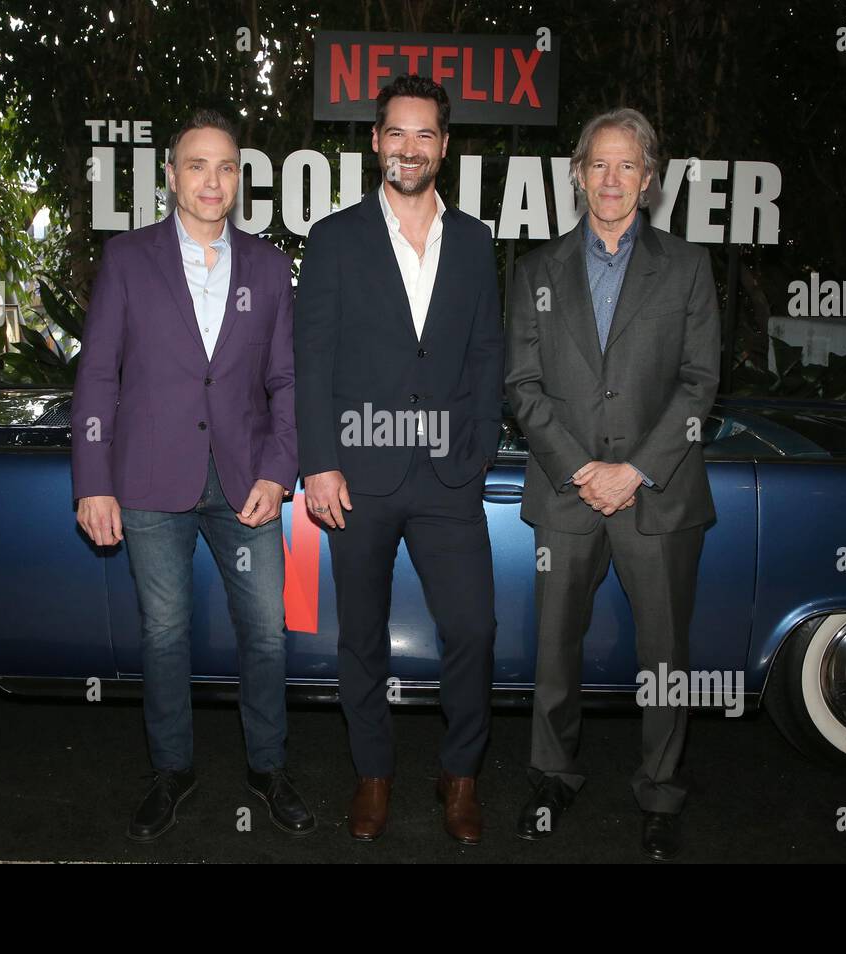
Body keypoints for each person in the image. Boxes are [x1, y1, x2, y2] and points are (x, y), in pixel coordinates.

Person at [71, 109, 314, 842]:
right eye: (198, 165)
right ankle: (172, 770)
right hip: (147, 479)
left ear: (239, 180)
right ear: (171, 176)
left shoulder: (270, 267)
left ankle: (267, 768)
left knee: (268, 634)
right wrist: (92, 480)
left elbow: (287, 382)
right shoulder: (128, 259)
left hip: (246, 483)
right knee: (166, 634)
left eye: (227, 166)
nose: (214, 180)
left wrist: (278, 473)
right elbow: (97, 378)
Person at [505, 108, 720, 860]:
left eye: (628, 165)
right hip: (565, 494)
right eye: (598, 164)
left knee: (664, 657)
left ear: (650, 179)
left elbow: (700, 385)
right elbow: (523, 386)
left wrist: (634, 470)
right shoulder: (534, 271)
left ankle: (661, 795)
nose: (611, 179)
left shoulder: (688, 267)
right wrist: (577, 468)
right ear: (576, 174)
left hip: (658, 494)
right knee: (554, 652)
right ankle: (552, 777)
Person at [294, 74, 504, 845]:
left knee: (474, 631)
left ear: (444, 147)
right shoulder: (334, 238)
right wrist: (318, 462)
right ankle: (374, 774)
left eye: (425, 134)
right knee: (361, 638)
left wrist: (478, 450)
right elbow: (310, 360)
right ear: (376, 142)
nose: (409, 147)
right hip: (358, 474)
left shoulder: (477, 241)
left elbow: (486, 353)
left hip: (450, 475)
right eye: (396, 132)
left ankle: (460, 777)